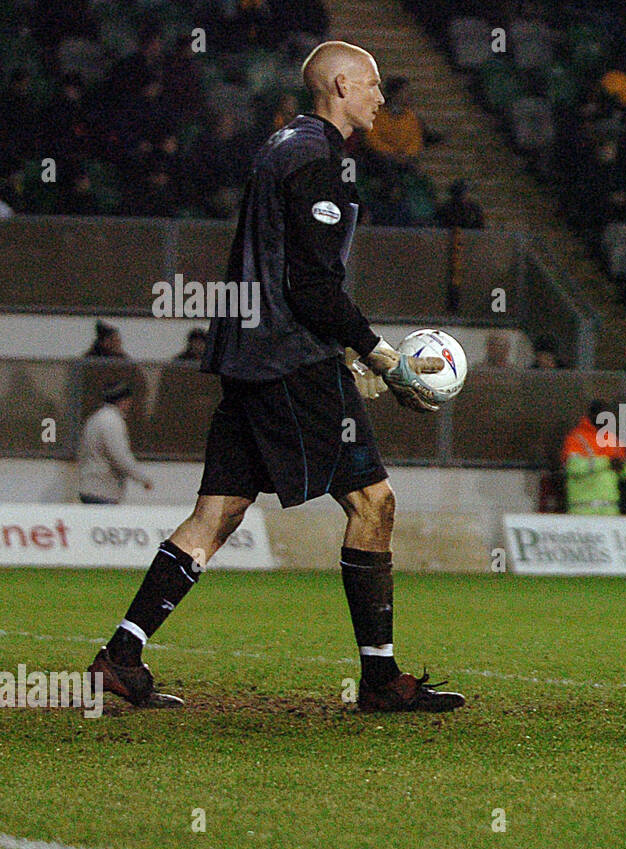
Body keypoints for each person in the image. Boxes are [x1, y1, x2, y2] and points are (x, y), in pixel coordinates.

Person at [87, 41, 464, 714]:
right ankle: (380, 679)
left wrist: (344, 349)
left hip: (250, 356)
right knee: (373, 504)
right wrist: (379, 355)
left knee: (218, 513)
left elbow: (279, 272)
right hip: (290, 360)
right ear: (342, 85)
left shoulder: (280, 146)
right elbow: (312, 286)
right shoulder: (319, 160)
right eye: (374, 86)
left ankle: (121, 656)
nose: (382, 99)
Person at [76, 382, 153, 504]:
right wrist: (143, 478)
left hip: (89, 486)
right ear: (123, 400)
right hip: (103, 489)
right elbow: (119, 455)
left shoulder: (95, 418)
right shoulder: (112, 421)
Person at [563, 400, 626, 515]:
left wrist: (624, 466)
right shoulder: (576, 438)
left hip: (610, 508)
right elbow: (574, 468)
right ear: (592, 415)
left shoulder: (613, 439)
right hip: (582, 508)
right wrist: (607, 462)